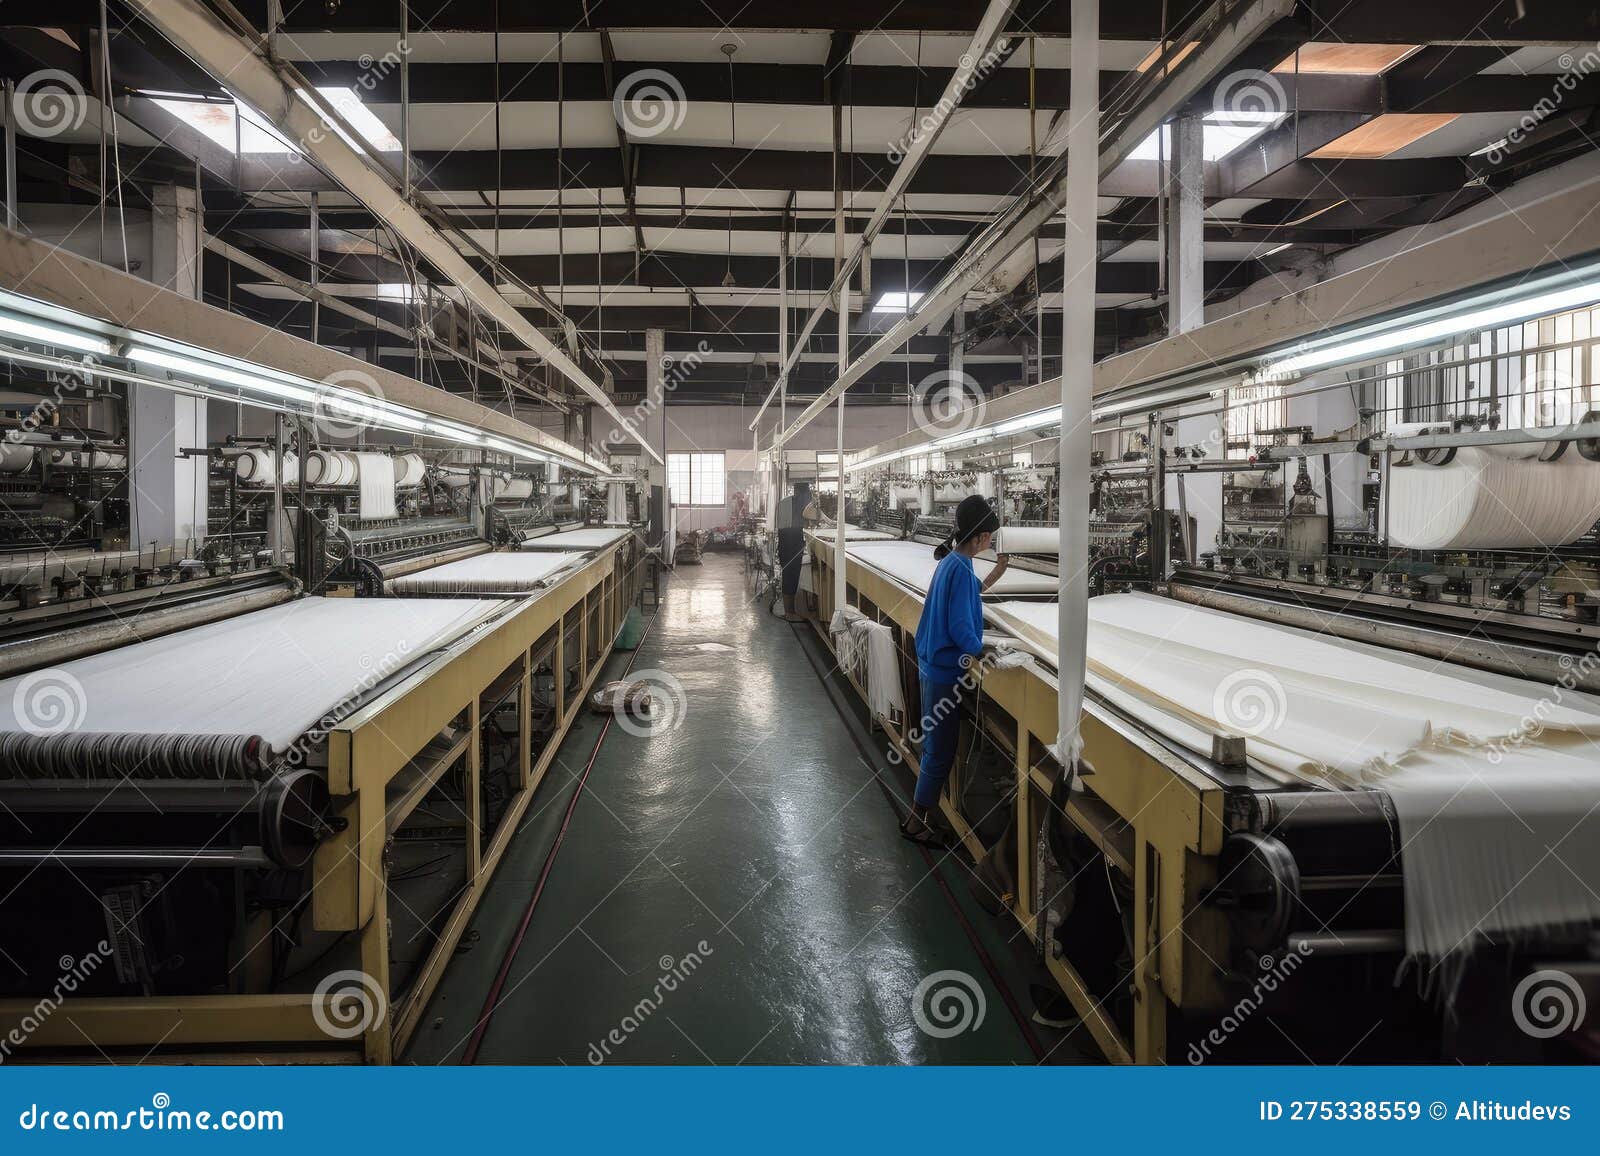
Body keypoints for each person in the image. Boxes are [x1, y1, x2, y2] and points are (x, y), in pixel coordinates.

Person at [902, 494, 1009, 845]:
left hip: (932, 666)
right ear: (979, 538)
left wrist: (1000, 569)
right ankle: (917, 823)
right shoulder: (959, 568)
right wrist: (990, 649)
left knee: (936, 747)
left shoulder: (952, 563)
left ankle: (921, 817)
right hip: (945, 676)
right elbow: (963, 628)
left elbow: (970, 594)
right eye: (990, 535)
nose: (991, 541)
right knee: (939, 752)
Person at [775, 480, 819, 621]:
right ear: (802, 492)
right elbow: (809, 517)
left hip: (787, 542)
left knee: (789, 576)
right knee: (791, 576)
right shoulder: (798, 502)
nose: (809, 497)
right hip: (790, 543)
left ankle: (790, 611)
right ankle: (789, 613)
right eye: (808, 493)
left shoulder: (787, 501)